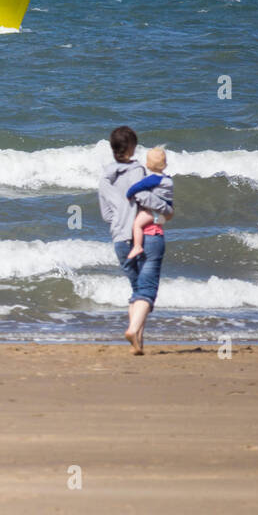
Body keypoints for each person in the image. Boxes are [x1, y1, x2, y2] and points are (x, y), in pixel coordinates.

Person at [98, 126, 168, 355]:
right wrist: (165, 208)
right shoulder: (137, 170)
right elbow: (140, 195)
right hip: (143, 235)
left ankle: (138, 341)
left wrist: (120, 221)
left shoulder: (105, 178)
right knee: (146, 291)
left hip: (119, 237)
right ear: (131, 147)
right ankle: (132, 330)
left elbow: (106, 215)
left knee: (137, 289)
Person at [126, 147, 173, 261]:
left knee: (137, 225)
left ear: (148, 164)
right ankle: (155, 227)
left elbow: (137, 187)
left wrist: (129, 194)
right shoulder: (168, 180)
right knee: (157, 222)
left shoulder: (152, 179)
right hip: (165, 211)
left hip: (153, 211)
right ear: (165, 164)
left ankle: (137, 247)